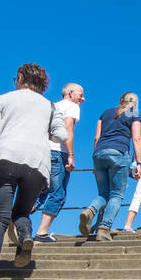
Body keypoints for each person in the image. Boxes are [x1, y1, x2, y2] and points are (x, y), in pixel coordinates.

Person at [0, 63, 69, 280]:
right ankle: (26, 235)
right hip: (36, 163)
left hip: (5, 158)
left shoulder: (2, 100)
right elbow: (61, 135)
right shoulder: (50, 106)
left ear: (19, 78)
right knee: (22, 212)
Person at [78, 92, 141, 242]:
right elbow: (137, 139)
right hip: (119, 153)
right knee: (116, 194)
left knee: (103, 193)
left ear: (121, 100)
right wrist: (138, 163)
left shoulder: (105, 113)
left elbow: (96, 137)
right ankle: (104, 229)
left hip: (99, 153)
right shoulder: (134, 114)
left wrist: (95, 159)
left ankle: (90, 210)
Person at [33, 82, 83, 242]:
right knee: (58, 193)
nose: (83, 98)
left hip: (43, 150)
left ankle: (18, 217)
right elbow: (68, 129)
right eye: (80, 94)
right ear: (70, 94)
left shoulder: (52, 106)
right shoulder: (72, 107)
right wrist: (70, 154)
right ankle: (41, 233)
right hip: (58, 151)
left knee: (42, 190)